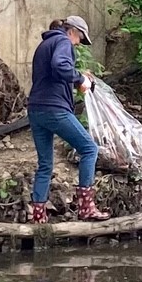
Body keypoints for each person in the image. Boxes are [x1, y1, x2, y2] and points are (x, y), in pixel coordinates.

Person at [26, 15, 110, 223]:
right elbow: (60, 65)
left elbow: (53, 75)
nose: (79, 43)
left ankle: (38, 216)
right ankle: (86, 208)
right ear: (73, 32)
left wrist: (78, 80)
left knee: (45, 164)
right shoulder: (63, 41)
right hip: (54, 109)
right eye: (80, 39)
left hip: (36, 109)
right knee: (89, 149)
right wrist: (80, 78)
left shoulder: (44, 45)